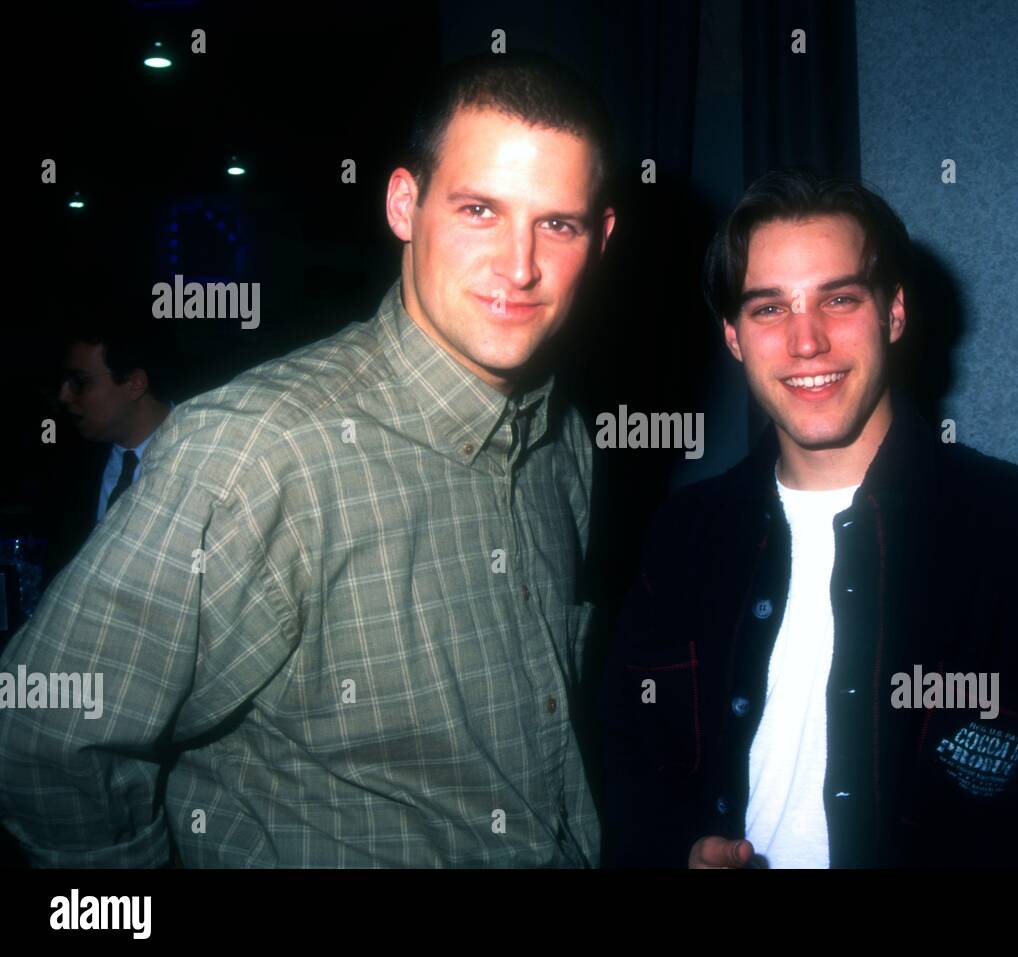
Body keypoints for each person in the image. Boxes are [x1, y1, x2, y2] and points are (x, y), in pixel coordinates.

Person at [0, 52, 616, 867]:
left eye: (557, 224)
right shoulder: (260, 448)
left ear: (600, 238)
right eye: (478, 209)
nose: (519, 265)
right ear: (406, 203)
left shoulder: (563, 435)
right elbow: (40, 735)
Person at [600, 169, 1018, 869]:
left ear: (894, 313)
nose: (806, 340)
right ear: (732, 336)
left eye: (839, 298)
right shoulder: (683, 537)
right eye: (768, 309)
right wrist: (681, 851)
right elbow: (631, 758)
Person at [43, 317, 175, 585]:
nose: (64, 395)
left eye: (79, 382)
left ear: (134, 383)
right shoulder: (67, 463)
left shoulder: (204, 455)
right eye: (65, 381)